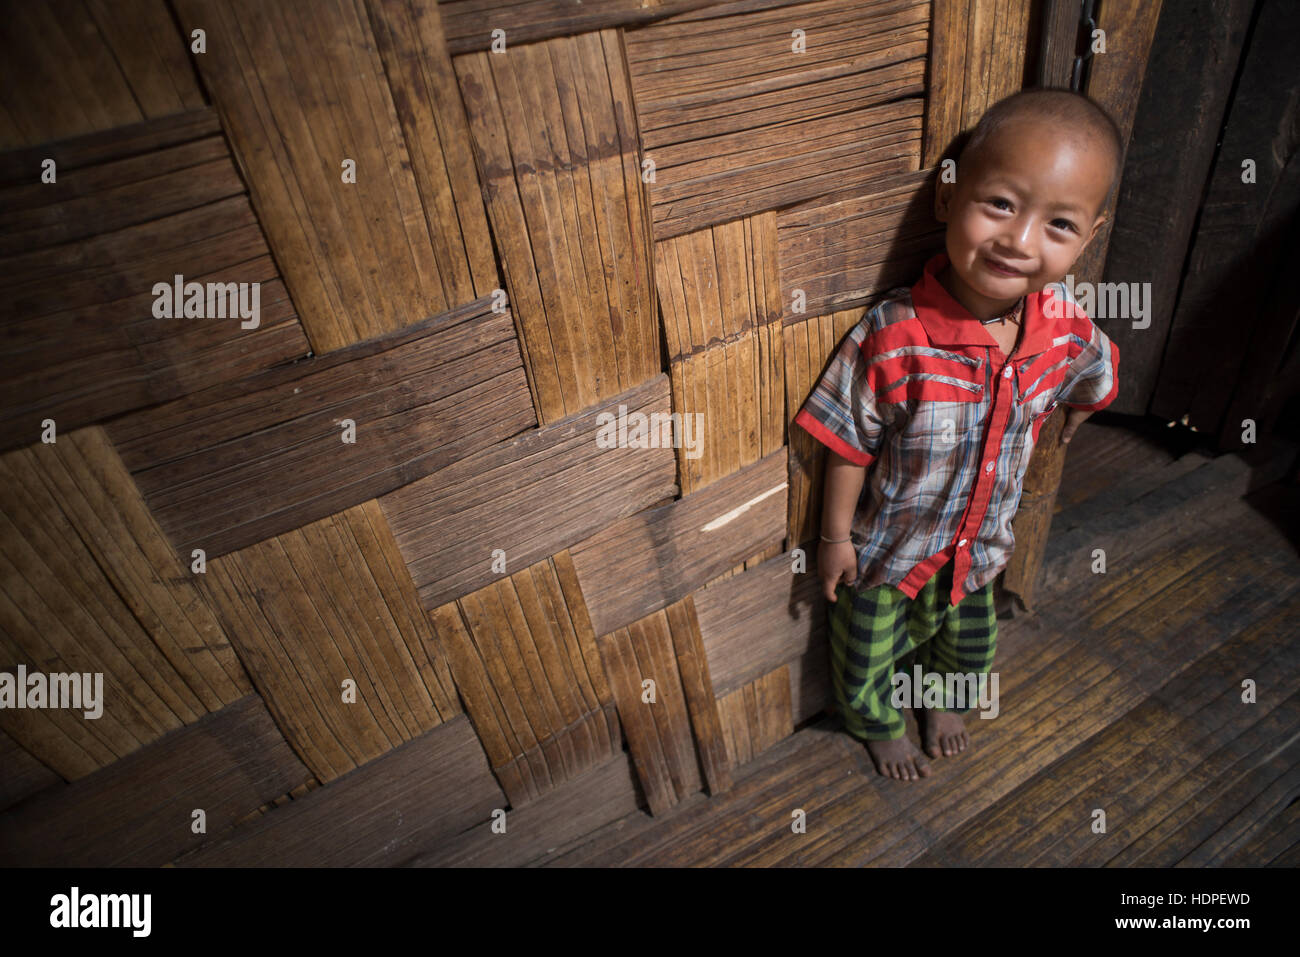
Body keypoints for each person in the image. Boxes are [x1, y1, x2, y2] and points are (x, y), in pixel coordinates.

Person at [793, 88, 1123, 781]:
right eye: (999, 203)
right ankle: (878, 723)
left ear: (1089, 238)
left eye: (1058, 224)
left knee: (970, 645)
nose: (1019, 240)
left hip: (981, 552)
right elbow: (847, 439)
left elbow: (1098, 363)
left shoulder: (1061, 327)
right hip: (889, 553)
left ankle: (943, 703)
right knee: (865, 654)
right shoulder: (895, 333)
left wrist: (1085, 404)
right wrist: (834, 537)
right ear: (948, 197)